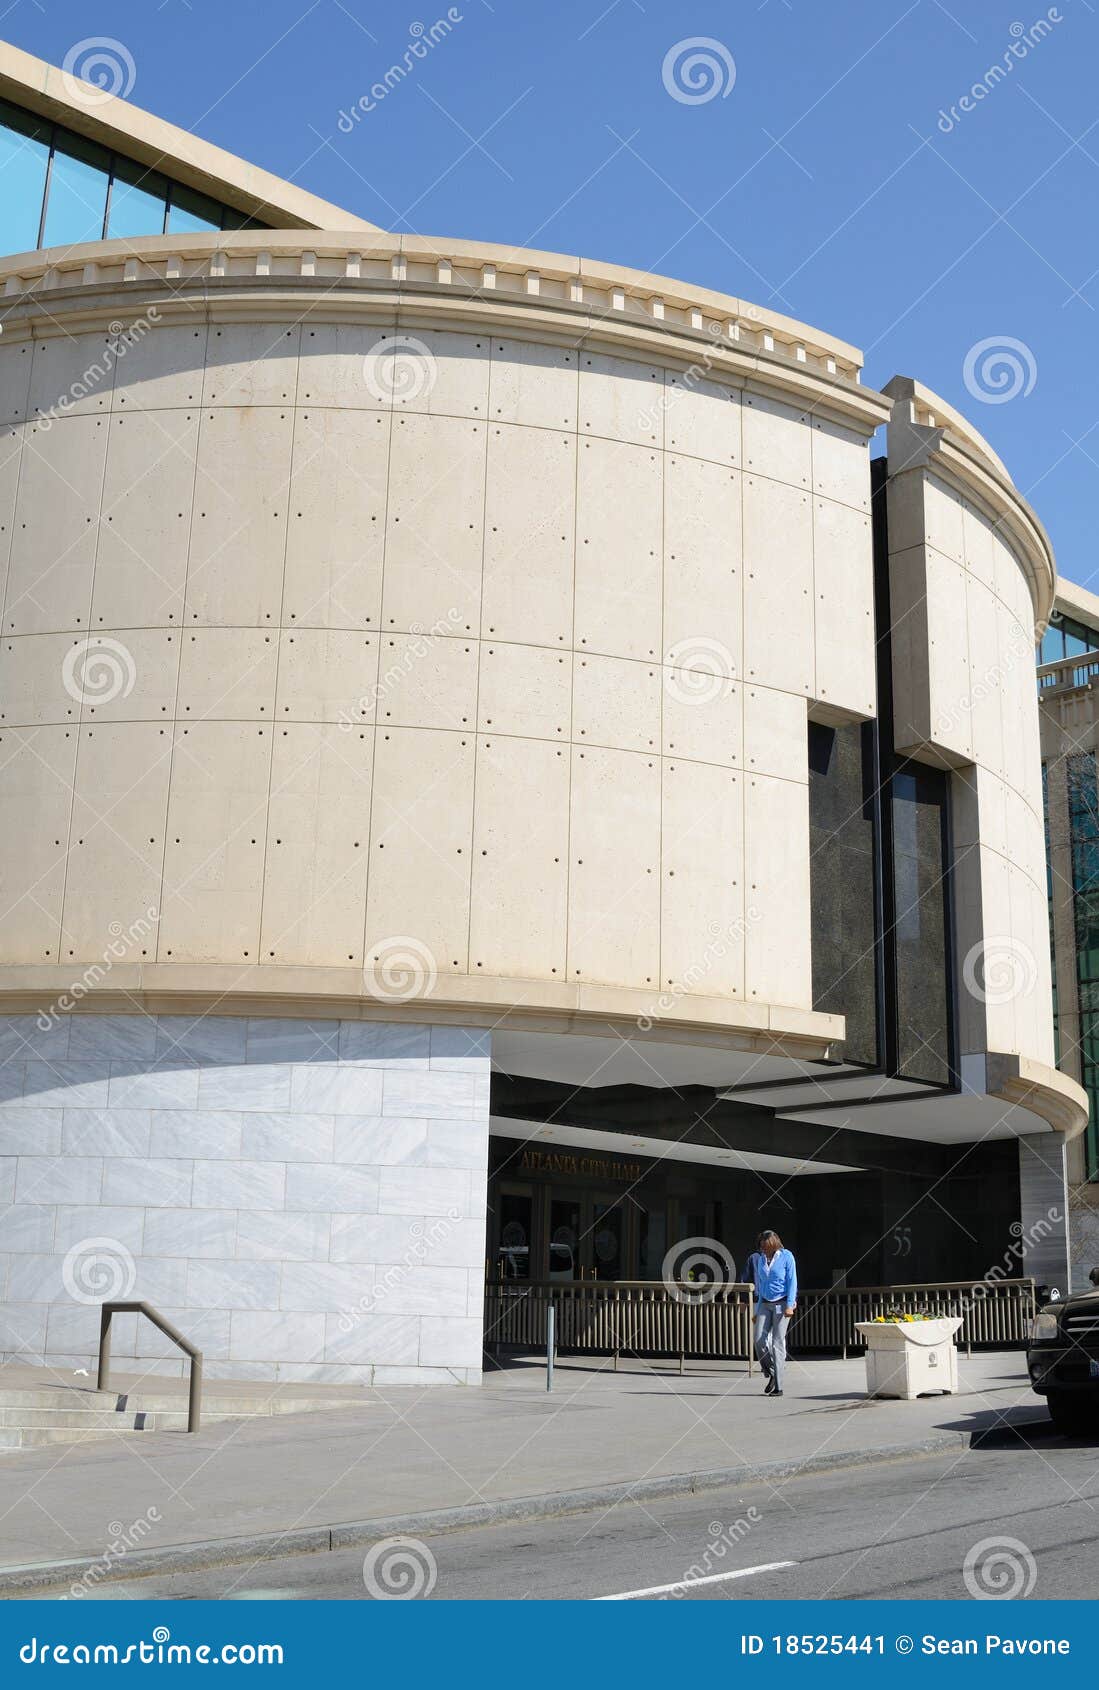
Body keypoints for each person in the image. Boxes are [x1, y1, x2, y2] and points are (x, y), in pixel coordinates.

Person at [752, 1229, 797, 1398]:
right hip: (765, 1303)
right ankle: (771, 1372)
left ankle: (779, 1386)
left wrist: (790, 1305)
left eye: (765, 1246)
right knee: (758, 1340)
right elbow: (762, 1284)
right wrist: (757, 1309)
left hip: (783, 1302)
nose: (762, 1249)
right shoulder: (761, 1259)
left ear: (773, 1244)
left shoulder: (787, 1256)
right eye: (761, 1246)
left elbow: (792, 1281)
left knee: (777, 1343)